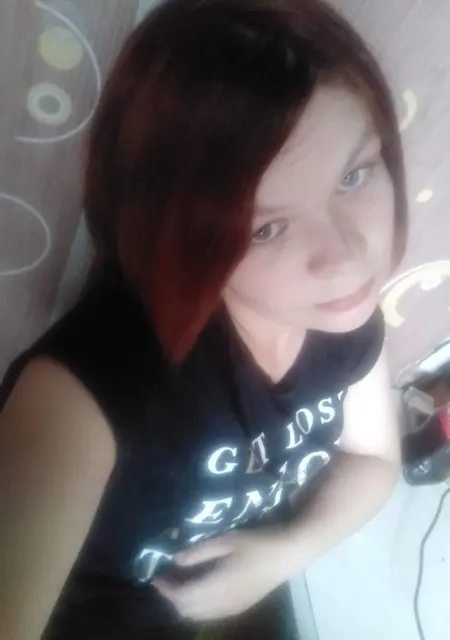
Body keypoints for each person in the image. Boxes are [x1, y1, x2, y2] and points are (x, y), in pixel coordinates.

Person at [0, 0, 408, 638]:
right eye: (266, 229)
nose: (346, 256)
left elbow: (376, 459)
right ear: (183, 236)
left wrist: (286, 553)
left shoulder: (340, 317)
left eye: (353, 176)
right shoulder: (82, 393)